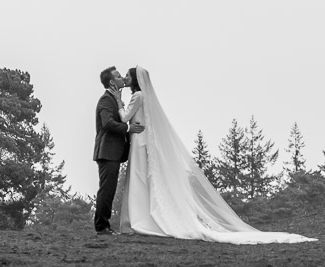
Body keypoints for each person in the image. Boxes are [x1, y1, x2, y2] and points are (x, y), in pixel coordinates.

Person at [119, 65, 313, 244]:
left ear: (135, 79)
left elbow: (126, 117)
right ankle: (139, 218)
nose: (125, 77)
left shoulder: (137, 96)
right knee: (139, 178)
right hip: (140, 137)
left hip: (139, 139)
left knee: (137, 177)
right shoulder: (143, 96)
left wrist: (119, 103)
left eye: (128, 75)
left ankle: (138, 220)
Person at [91, 67, 142, 235]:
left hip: (113, 152)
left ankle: (105, 225)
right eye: (119, 76)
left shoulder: (114, 99)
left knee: (109, 189)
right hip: (107, 151)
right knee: (106, 189)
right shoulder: (106, 100)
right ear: (112, 82)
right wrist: (128, 128)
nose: (122, 78)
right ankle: (101, 226)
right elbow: (107, 123)